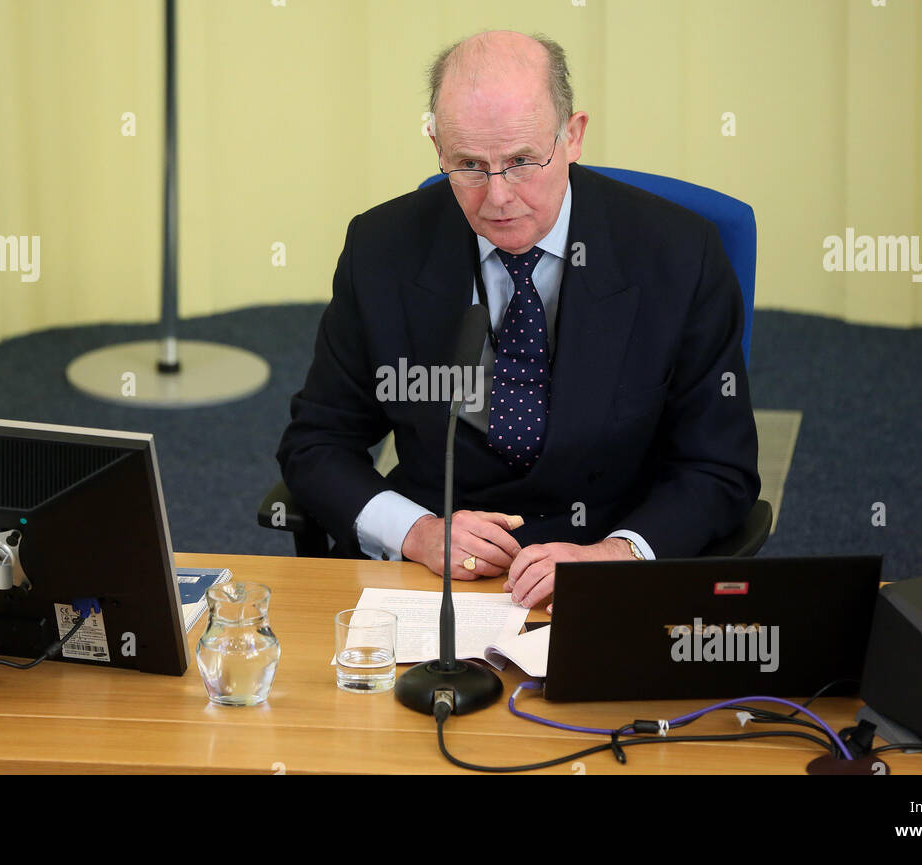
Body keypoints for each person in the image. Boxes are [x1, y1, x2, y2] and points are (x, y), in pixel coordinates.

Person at [277, 30, 759, 610]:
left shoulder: (678, 254)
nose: (498, 197)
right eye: (470, 166)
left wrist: (617, 555)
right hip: (435, 577)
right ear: (437, 146)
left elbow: (719, 467)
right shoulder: (382, 248)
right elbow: (318, 442)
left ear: (573, 136)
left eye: (522, 161)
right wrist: (415, 532)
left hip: (601, 574)